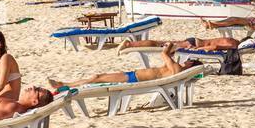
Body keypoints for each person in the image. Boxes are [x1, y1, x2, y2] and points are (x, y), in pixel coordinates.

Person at [47, 44, 201, 90]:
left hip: (134, 78)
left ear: (191, 64)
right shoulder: (175, 69)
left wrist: (169, 46)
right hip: (134, 75)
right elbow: (165, 65)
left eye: (189, 60)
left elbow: (163, 54)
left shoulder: (177, 69)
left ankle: (64, 85)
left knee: (96, 78)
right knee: (97, 77)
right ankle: (64, 84)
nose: (186, 60)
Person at [120, 36, 240, 52]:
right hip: (195, 43)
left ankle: (131, 44)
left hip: (195, 40)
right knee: (159, 44)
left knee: (160, 43)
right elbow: (214, 47)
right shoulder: (233, 44)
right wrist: (198, 48)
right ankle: (130, 44)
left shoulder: (230, 38)